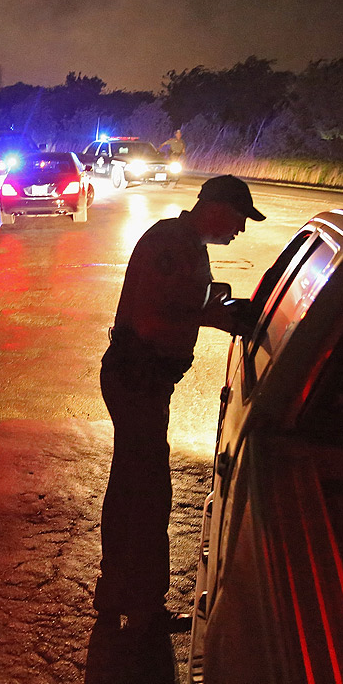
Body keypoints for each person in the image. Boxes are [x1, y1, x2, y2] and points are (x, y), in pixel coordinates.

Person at [94, 174, 264, 634]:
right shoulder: (173, 242)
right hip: (139, 377)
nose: (241, 231)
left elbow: (173, 300)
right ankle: (144, 607)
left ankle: (113, 594)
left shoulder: (185, 243)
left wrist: (212, 300)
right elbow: (151, 321)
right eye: (239, 219)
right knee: (148, 493)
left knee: (131, 485)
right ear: (217, 208)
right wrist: (208, 316)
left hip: (141, 377)